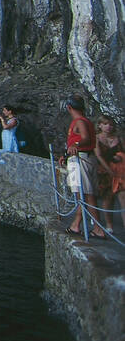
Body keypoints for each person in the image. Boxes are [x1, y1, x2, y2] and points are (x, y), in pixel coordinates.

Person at [63, 96, 106, 238]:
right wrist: (66, 154)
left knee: (86, 194)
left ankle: (98, 228)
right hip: (82, 157)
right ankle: (76, 225)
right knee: (83, 194)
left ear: (69, 107)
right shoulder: (85, 120)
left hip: (81, 159)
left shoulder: (80, 121)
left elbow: (85, 137)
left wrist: (75, 145)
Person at [95, 118, 125, 235]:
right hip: (104, 171)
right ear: (100, 125)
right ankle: (109, 224)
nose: (108, 127)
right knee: (108, 198)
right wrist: (108, 169)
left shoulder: (119, 138)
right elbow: (99, 156)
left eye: (111, 125)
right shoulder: (97, 138)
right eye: (105, 124)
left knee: (123, 197)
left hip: (119, 171)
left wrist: (120, 157)